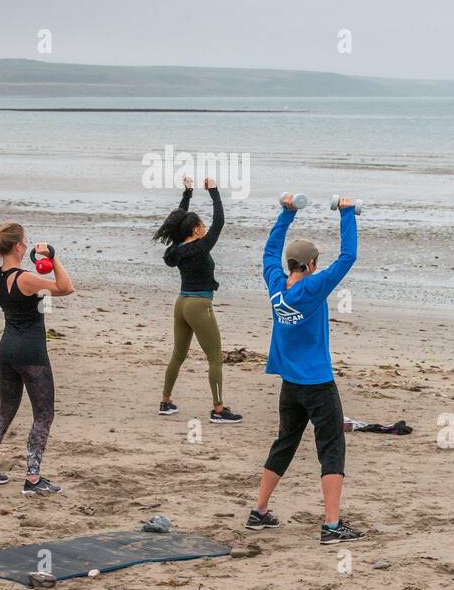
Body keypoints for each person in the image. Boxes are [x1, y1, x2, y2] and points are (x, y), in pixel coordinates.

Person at [247, 193, 363, 544]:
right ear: (311, 264)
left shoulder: (274, 282)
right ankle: (331, 527)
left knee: (286, 442)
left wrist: (286, 212)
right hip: (317, 384)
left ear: (289, 264)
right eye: (316, 262)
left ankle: (260, 511)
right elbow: (349, 257)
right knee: (331, 449)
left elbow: (269, 251)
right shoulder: (313, 288)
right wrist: (346, 214)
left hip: (290, 384)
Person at [0, 221, 74, 495]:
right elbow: (66, 287)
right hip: (31, 353)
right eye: (25, 241)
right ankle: (32, 478)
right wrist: (52, 256)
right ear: (18, 247)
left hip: (6, 351)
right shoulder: (25, 279)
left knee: (6, 409)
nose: (27, 245)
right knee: (44, 414)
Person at [152, 176, 240, 423]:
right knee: (215, 357)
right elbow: (220, 221)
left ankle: (166, 402)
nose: (204, 226)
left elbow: (179, 221)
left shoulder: (176, 249)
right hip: (200, 306)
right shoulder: (201, 247)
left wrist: (188, 193)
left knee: (178, 355)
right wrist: (214, 191)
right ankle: (219, 410)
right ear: (195, 230)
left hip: (181, 304)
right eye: (201, 224)